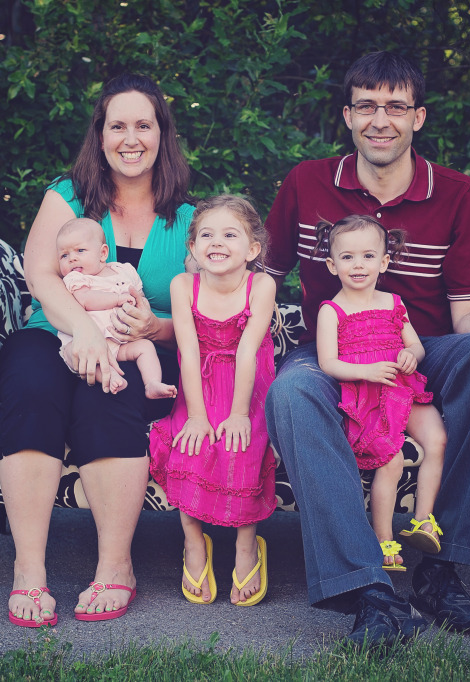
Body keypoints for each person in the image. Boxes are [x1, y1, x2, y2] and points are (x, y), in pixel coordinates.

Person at [263, 51, 470, 645]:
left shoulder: (459, 195)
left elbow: (466, 312)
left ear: (419, 117)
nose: (380, 119)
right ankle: (368, 589)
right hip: (329, 347)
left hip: (421, 347)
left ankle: (438, 568)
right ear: (348, 116)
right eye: (367, 106)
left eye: (395, 106)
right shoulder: (307, 182)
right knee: (291, 390)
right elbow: (266, 272)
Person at [0, 73, 194, 626]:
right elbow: (40, 272)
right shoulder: (68, 195)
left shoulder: (189, 217)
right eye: (118, 125)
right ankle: (28, 570)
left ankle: (115, 567)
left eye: (144, 125)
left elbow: (202, 313)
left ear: (162, 134)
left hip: (138, 346)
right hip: (53, 331)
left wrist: (153, 327)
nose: (131, 138)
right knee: (33, 386)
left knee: (113, 394)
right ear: (100, 135)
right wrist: (82, 331)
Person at [149, 195, 278, 607]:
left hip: (248, 382)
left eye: (229, 234)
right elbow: (187, 351)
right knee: (191, 445)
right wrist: (198, 417)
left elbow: (247, 353)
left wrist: (240, 414)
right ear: (192, 247)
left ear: (252, 250)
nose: (216, 242)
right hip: (199, 382)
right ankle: (193, 543)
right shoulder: (183, 285)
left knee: (243, 447)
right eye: (206, 234)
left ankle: (246, 545)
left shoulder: (262, 285)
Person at [311, 214, 447, 574]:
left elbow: (416, 347)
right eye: (348, 257)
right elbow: (328, 362)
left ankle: (423, 519)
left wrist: (409, 356)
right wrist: (366, 371)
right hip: (367, 395)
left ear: (384, 261)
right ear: (332, 264)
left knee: (437, 439)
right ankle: (384, 538)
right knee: (391, 458)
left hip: (403, 387)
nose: (358, 265)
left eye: (368, 256)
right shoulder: (332, 310)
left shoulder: (394, 303)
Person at [54, 216, 178, 399]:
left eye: (80, 250)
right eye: (64, 255)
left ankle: (152, 383)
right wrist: (118, 299)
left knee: (145, 347)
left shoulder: (124, 270)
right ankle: (108, 376)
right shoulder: (76, 278)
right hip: (87, 344)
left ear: (103, 253)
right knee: (74, 355)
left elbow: (139, 297)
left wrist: (140, 309)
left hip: (122, 342)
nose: (72, 258)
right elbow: (86, 299)